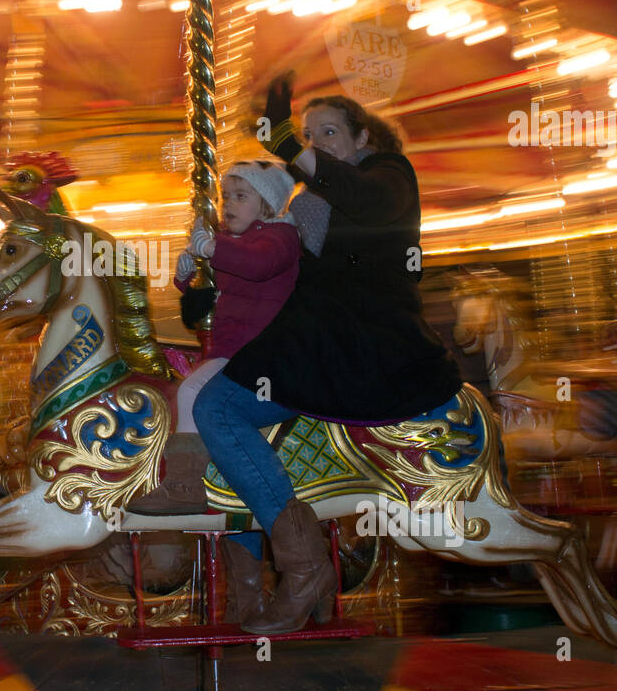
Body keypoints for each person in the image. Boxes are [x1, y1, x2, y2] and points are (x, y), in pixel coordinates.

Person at [192, 75, 464, 635]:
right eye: (310, 134)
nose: (318, 144)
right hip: (317, 336)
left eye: (330, 132)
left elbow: (356, 198)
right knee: (220, 416)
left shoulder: (388, 176)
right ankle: (261, 580)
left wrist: (289, 146)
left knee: (216, 407)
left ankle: (305, 567)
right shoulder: (311, 203)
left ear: (364, 136)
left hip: (363, 341)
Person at [128, 159, 300, 516]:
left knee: (192, 391)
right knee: (181, 390)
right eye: (225, 197)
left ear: (266, 204)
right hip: (232, 350)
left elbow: (258, 264)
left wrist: (211, 249)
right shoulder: (235, 241)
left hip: (260, 354)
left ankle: (185, 485)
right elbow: (210, 292)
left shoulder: (280, 237)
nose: (228, 204)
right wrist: (187, 275)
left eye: (240, 196)